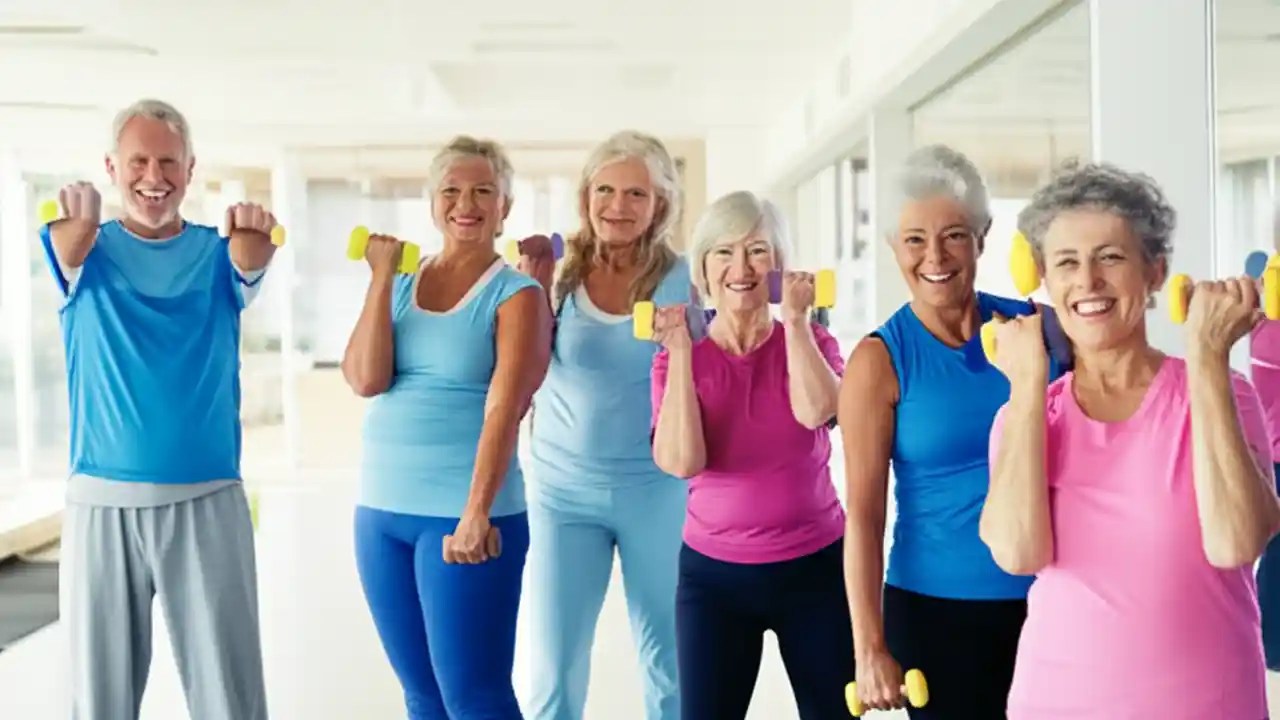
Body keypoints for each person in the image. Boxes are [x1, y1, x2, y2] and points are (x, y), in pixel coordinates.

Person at [981, 161, 1280, 718]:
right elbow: (1018, 554)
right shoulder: (1026, 414)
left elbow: (1237, 542)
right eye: (1066, 263)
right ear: (1044, 279)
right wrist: (1026, 385)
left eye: (1110, 257)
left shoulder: (1221, 392)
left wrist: (1208, 359)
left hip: (1207, 703)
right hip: (1056, 702)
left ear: (1156, 272)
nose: (1088, 282)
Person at [41, 98, 272, 719]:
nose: (154, 176)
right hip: (101, 501)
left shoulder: (221, 251)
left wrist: (256, 239)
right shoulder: (80, 248)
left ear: (190, 169)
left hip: (208, 496)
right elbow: (66, 248)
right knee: (100, 699)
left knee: (230, 695)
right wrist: (79, 223)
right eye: (138, 160)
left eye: (168, 161)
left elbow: (252, 265)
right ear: (111, 167)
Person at [837, 144, 1065, 718]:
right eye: (914, 238)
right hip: (937, 613)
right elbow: (863, 518)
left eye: (955, 235)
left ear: (984, 238)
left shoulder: (1040, 331)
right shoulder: (878, 360)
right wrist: (869, 647)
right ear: (892, 246)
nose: (934, 255)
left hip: (1056, 600)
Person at [342, 136, 551, 719]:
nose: (468, 203)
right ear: (432, 202)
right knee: (422, 696)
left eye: (484, 191)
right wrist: (380, 280)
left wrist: (477, 510)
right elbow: (364, 379)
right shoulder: (401, 282)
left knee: (475, 698)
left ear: (505, 205)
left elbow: (505, 408)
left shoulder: (518, 293)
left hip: (463, 515)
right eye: (452, 191)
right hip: (382, 511)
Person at [516, 130, 697, 720]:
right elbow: (523, 368)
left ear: (660, 204)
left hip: (658, 491)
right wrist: (535, 288)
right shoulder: (558, 271)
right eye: (605, 190)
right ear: (586, 195)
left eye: (635, 194)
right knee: (555, 666)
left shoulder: (685, 280)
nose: (617, 206)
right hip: (563, 492)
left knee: (669, 660)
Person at [649, 191, 852, 719]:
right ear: (703, 271)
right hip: (715, 580)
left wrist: (799, 323)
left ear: (780, 267)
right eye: (723, 252)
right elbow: (681, 462)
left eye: (758, 251)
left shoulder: (816, 341)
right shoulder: (677, 360)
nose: (741, 268)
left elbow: (818, 412)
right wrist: (680, 353)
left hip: (816, 568)